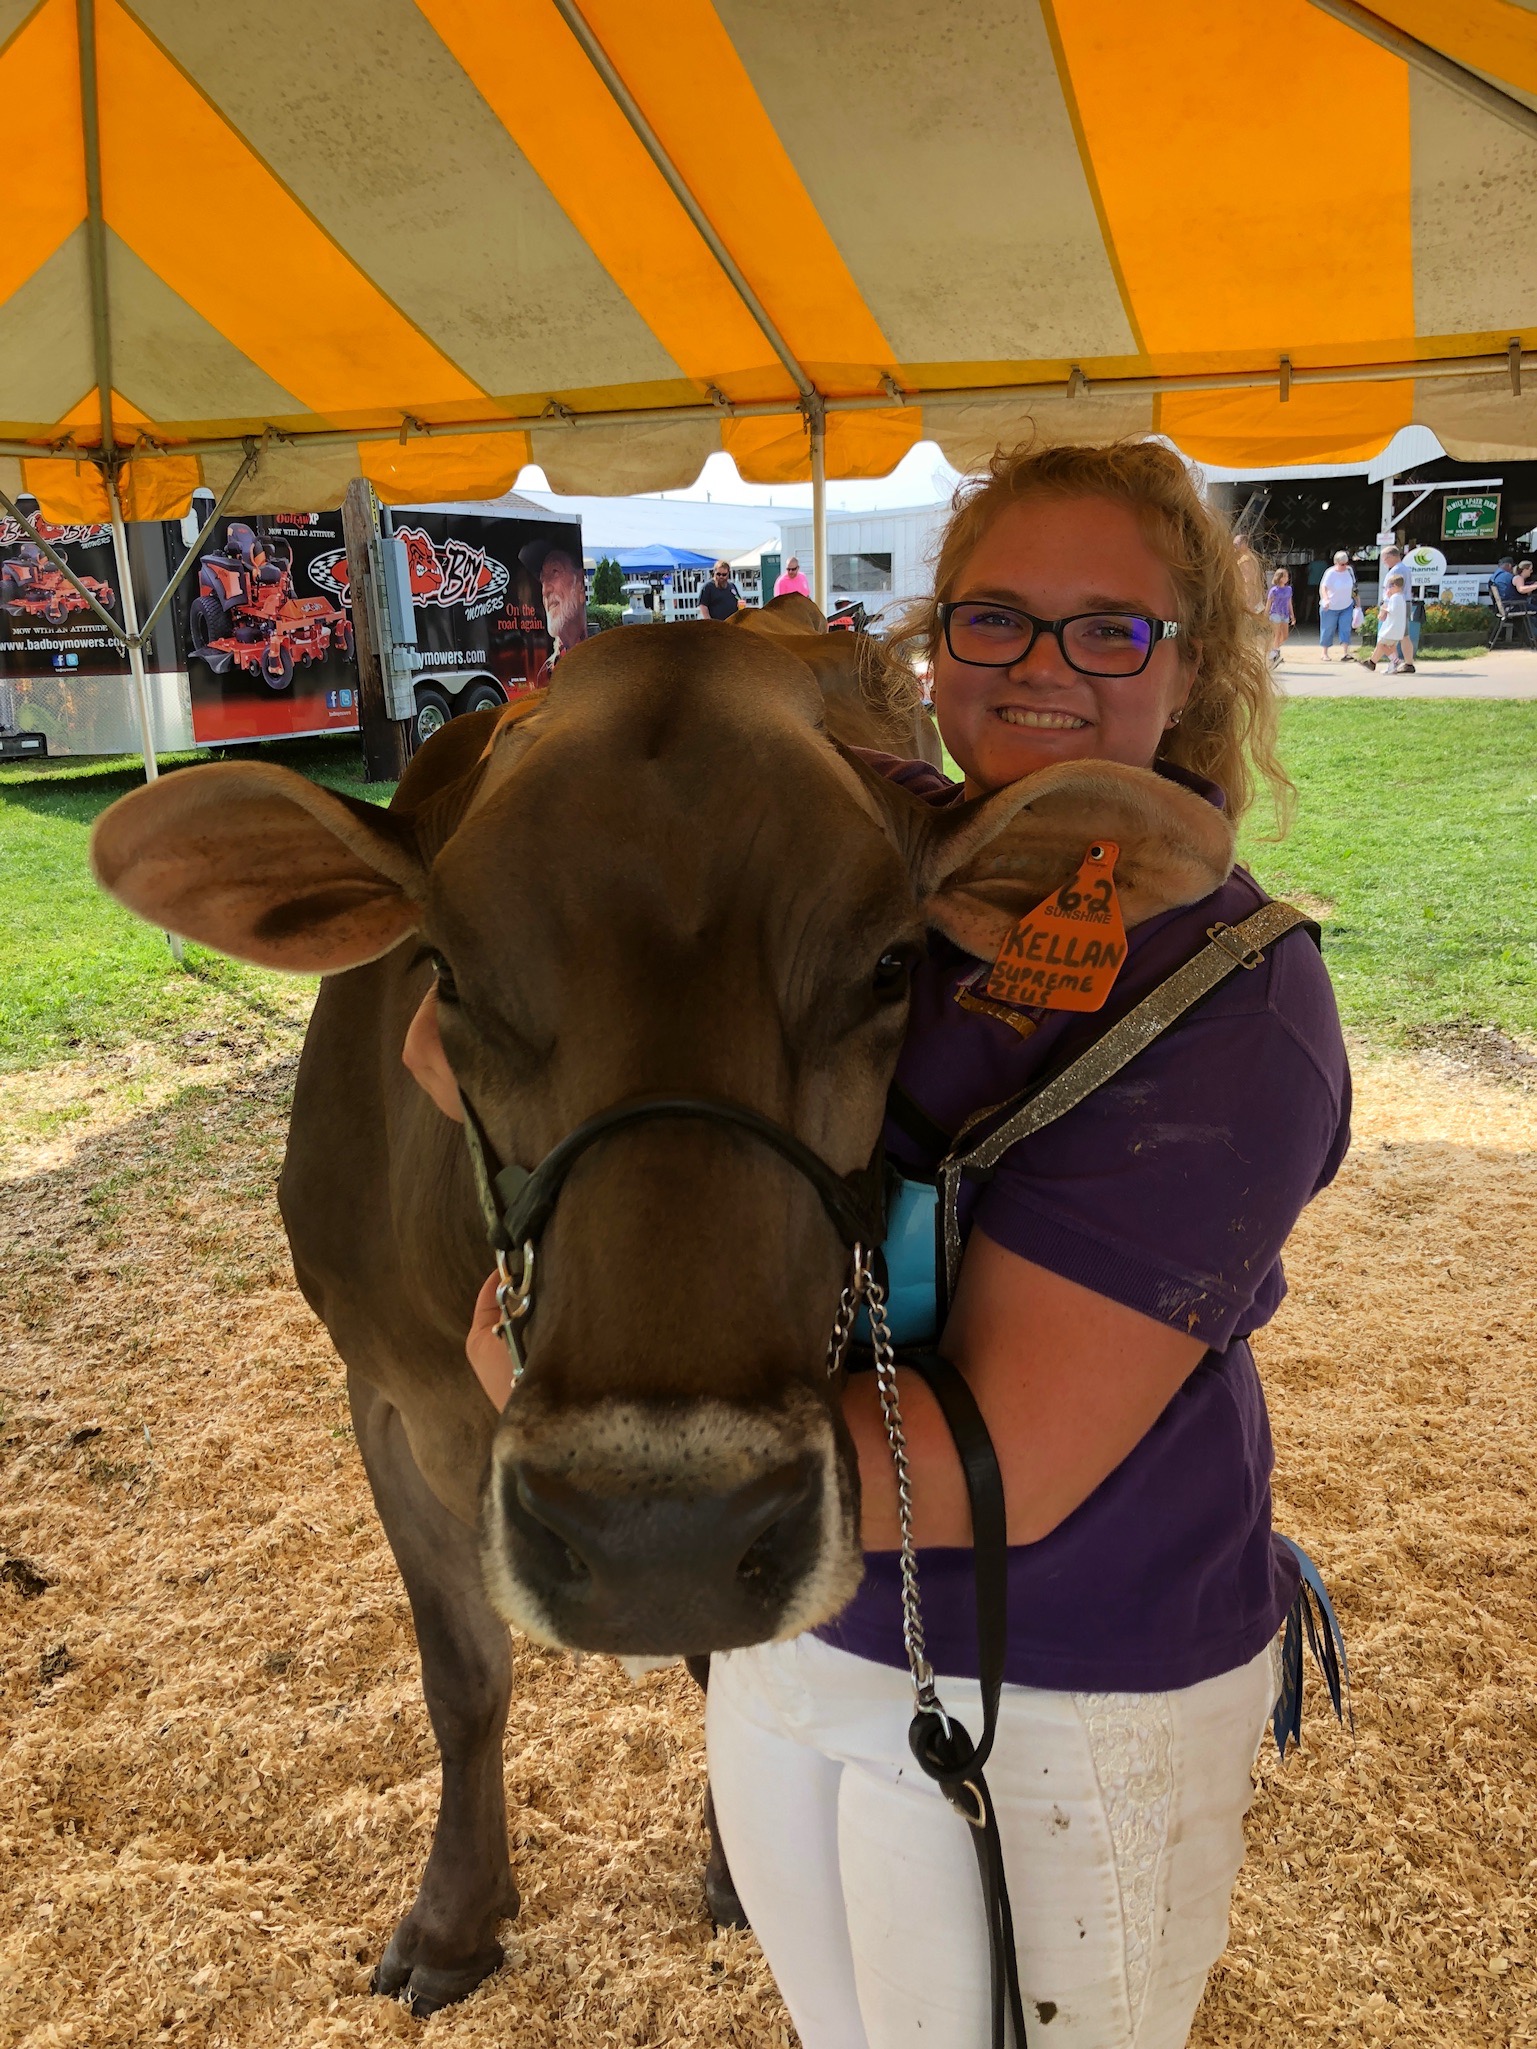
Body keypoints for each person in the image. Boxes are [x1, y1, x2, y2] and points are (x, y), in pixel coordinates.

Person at [467, 440, 1351, 2049]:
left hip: (1064, 1679)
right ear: (931, 643)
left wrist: (596, 1444)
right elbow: (489, 1023)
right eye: (994, 619)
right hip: (794, 1626)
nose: (1042, 669)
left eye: (1111, 631)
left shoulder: (1238, 999)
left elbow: (1006, 1450)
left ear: (1195, 666)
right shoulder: (845, 853)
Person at [517, 536, 588, 679]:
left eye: (555, 572)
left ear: (580, 584)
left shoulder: (595, 660)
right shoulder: (545, 675)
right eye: (543, 579)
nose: (545, 590)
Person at [1362, 571, 1412, 672]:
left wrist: (1384, 609)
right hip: (1397, 628)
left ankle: (1396, 660)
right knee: (1392, 645)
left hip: (1392, 627)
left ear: (1395, 586)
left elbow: (1392, 610)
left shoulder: (1395, 598)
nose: (1388, 589)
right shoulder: (1401, 597)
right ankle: (1393, 666)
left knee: (1381, 644)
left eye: (1389, 586)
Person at [1317, 550, 1357, 661]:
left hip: (1346, 605)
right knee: (1328, 629)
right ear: (1336, 563)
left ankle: (1345, 653)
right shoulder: (1330, 573)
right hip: (1330, 607)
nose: (1344, 566)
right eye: (1342, 564)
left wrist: (1358, 604)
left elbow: (1354, 587)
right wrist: (1325, 599)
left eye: (1346, 563)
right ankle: (1324, 653)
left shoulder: (1349, 571)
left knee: (1345, 628)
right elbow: (1323, 587)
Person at [1265, 566, 1294, 665]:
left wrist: (1292, 615)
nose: (1286, 578)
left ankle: (1273, 650)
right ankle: (1274, 652)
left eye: (1287, 576)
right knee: (1277, 635)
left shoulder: (1289, 589)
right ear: (1279, 577)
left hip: (1285, 614)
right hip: (1275, 613)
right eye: (1284, 576)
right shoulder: (1274, 590)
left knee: (1285, 636)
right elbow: (1269, 603)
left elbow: (1289, 602)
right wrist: (1266, 615)